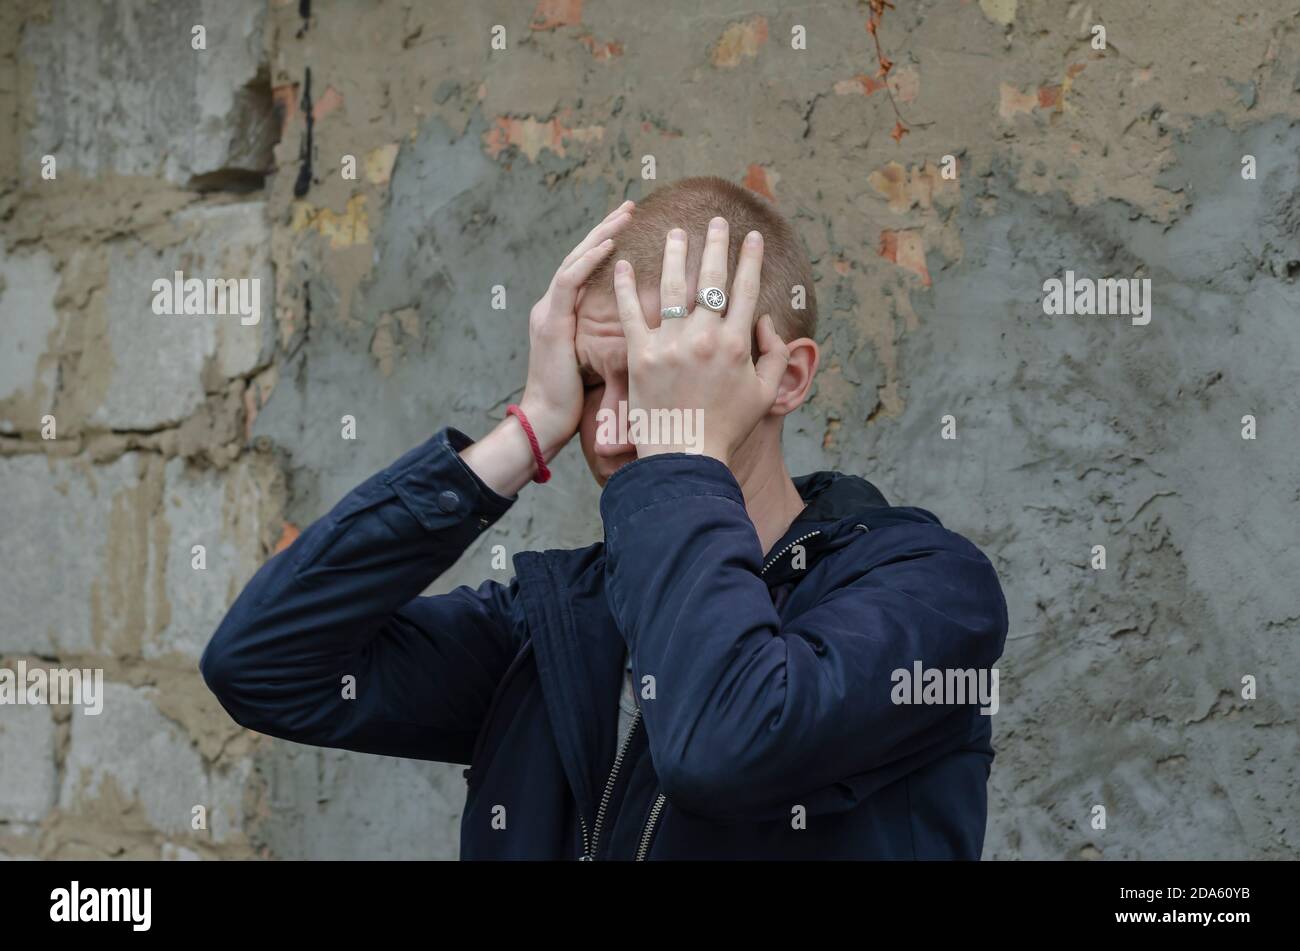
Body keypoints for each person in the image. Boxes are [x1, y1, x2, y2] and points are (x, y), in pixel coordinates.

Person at [200, 176, 1008, 859]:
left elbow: (724, 742)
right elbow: (264, 665)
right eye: (593, 384)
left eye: (657, 379)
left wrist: (680, 456)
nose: (613, 427)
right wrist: (528, 427)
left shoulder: (930, 593)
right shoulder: (556, 625)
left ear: (786, 378)